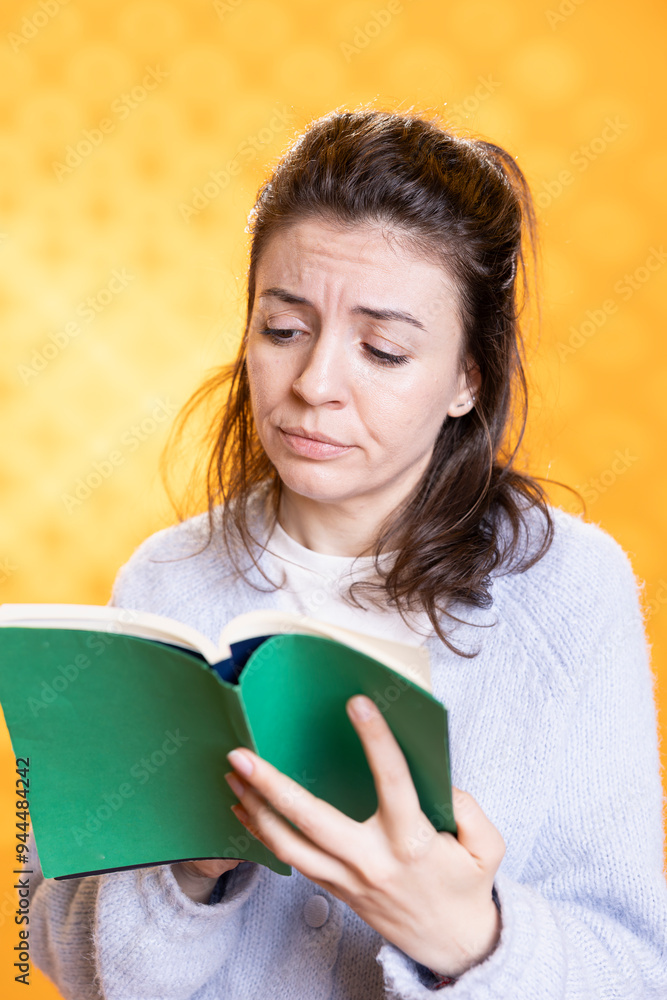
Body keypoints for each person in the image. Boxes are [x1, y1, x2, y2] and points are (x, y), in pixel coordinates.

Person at [30, 108, 667, 999]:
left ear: (465, 379)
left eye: (382, 349)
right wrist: (183, 873)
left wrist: (466, 938)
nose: (314, 386)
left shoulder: (567, 592)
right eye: (283, 330)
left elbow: (637, 974)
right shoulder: (165, 582)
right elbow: (65, 953)